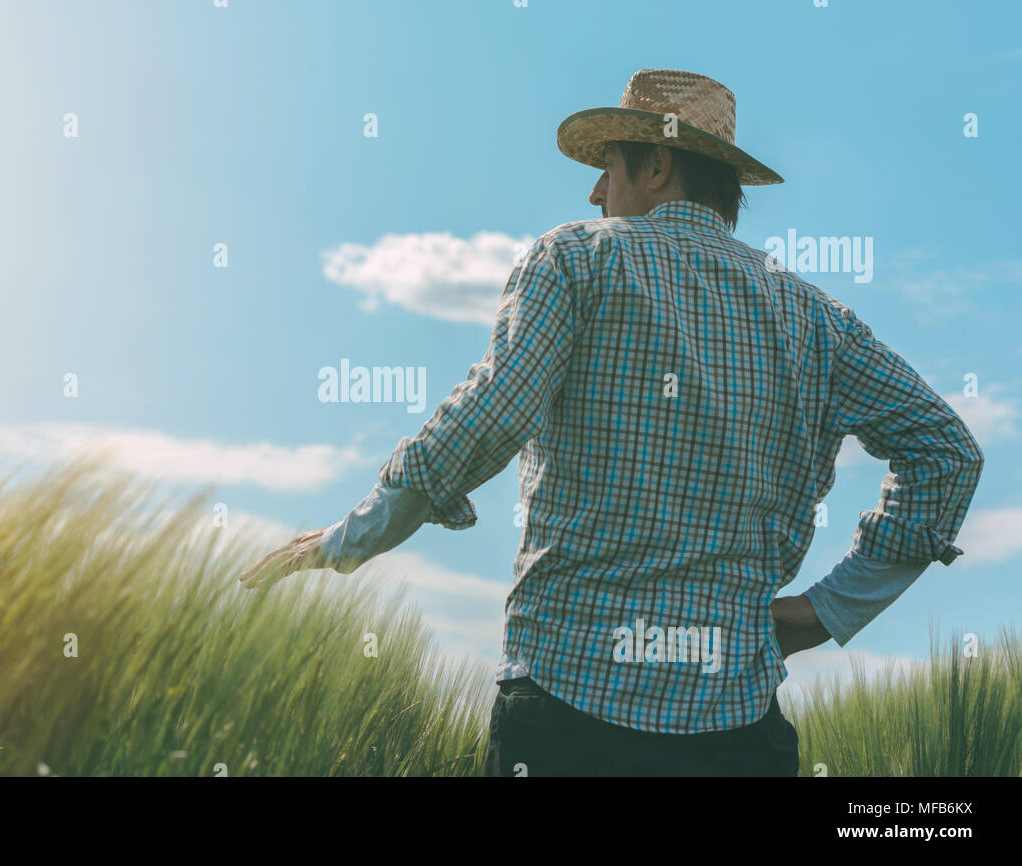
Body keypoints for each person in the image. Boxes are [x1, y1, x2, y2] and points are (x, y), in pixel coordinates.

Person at [239, 68, 984, 776]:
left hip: (567, 714)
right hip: (736, 726)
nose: (596, 191)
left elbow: (489, 417)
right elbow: (947, 453)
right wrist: (830, 609)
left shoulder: (575, 260)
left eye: (610, 168)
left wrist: (346, 540)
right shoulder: (816, 319)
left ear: (657, 164)